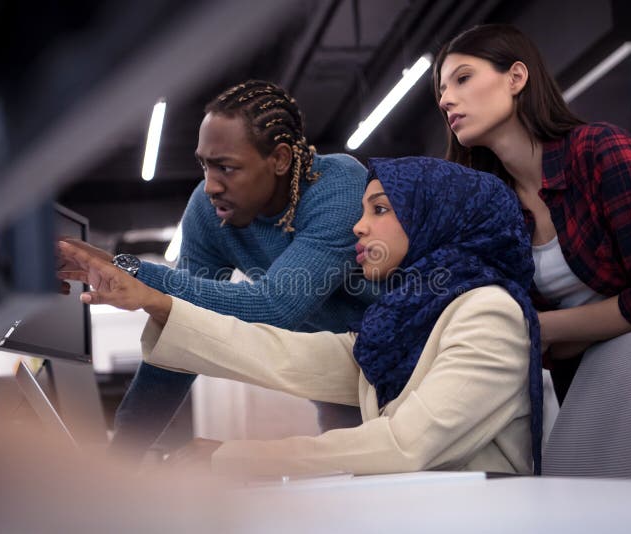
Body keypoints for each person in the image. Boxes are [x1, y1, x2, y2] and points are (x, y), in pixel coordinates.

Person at [58, 156, 544, 476]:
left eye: (380, 210)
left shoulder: (488, 313)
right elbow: (283, 355)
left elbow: (404, 446)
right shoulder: (405, 320)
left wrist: (231, 457)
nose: (359, 224)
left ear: (433, 218)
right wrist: (152, 300)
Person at [433, 23, 631, 476]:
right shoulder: (495, 207)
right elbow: (517, 338)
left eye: (462, 78)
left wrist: (539, 328)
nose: (446, 99)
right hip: (600, 406)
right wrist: (552, 334)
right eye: (441, 90)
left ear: (516, 78)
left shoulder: (600, 152)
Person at [58, 80, 377, 459]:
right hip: (335, 382)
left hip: (405, 367)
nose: (210, 186)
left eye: (226, 167)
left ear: (280, 159)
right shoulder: (210, 212)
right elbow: (183, 334)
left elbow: (274, 306)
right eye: (204, 164)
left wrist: (130, 270)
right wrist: (122, 458)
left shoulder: (337, 187)